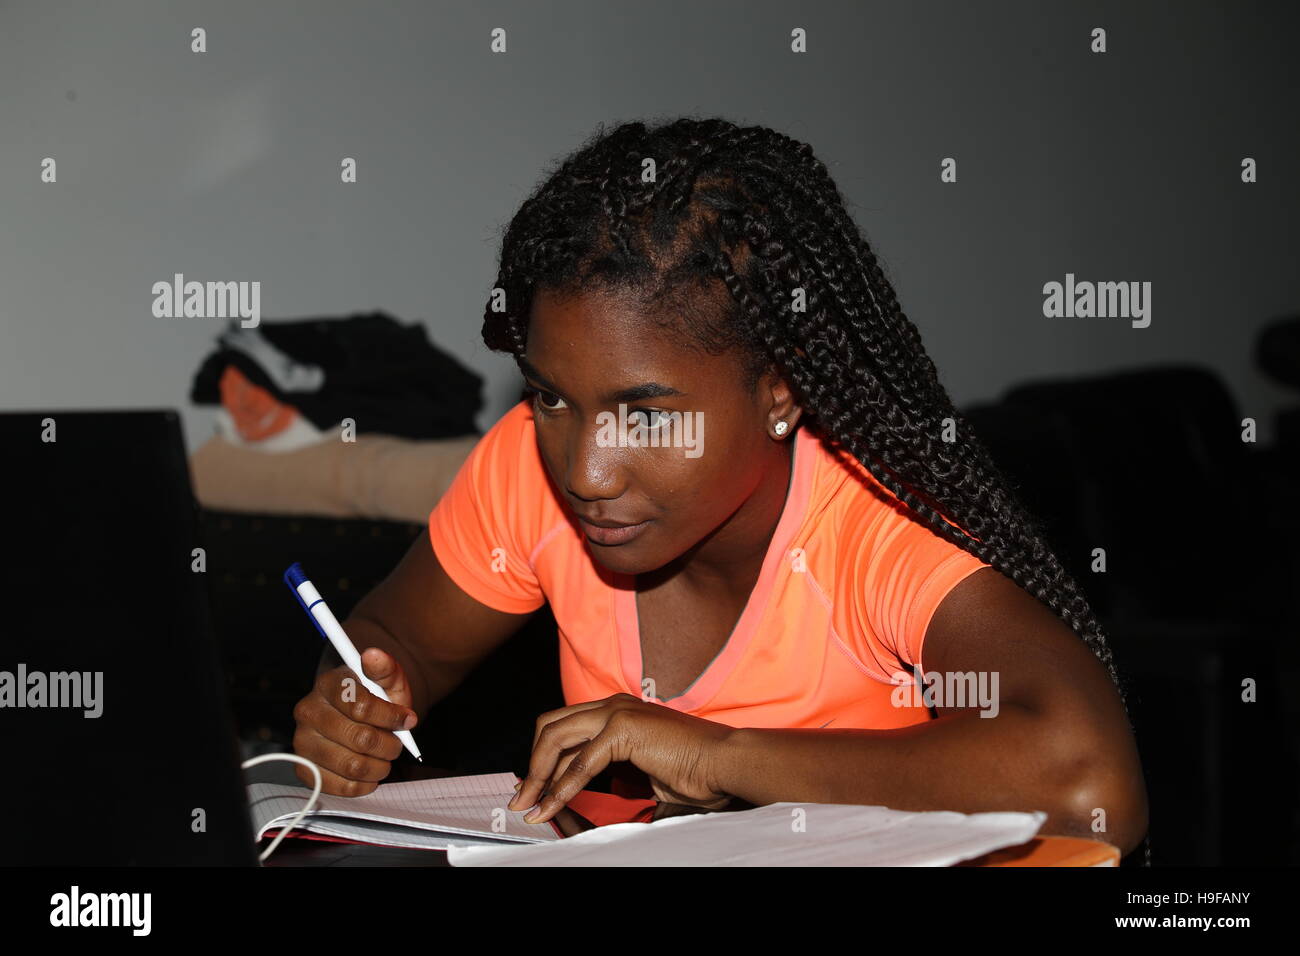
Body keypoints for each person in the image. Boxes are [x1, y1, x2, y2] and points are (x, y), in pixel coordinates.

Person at [291, 117, 1149, 862]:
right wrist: (355, 698)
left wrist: (718, 755)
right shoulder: (528, 467)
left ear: (779, 390)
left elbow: (1088, 775)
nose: (586, 471)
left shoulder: (873, 523)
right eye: (551, 395)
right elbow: (395, 637)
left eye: (649, 416)